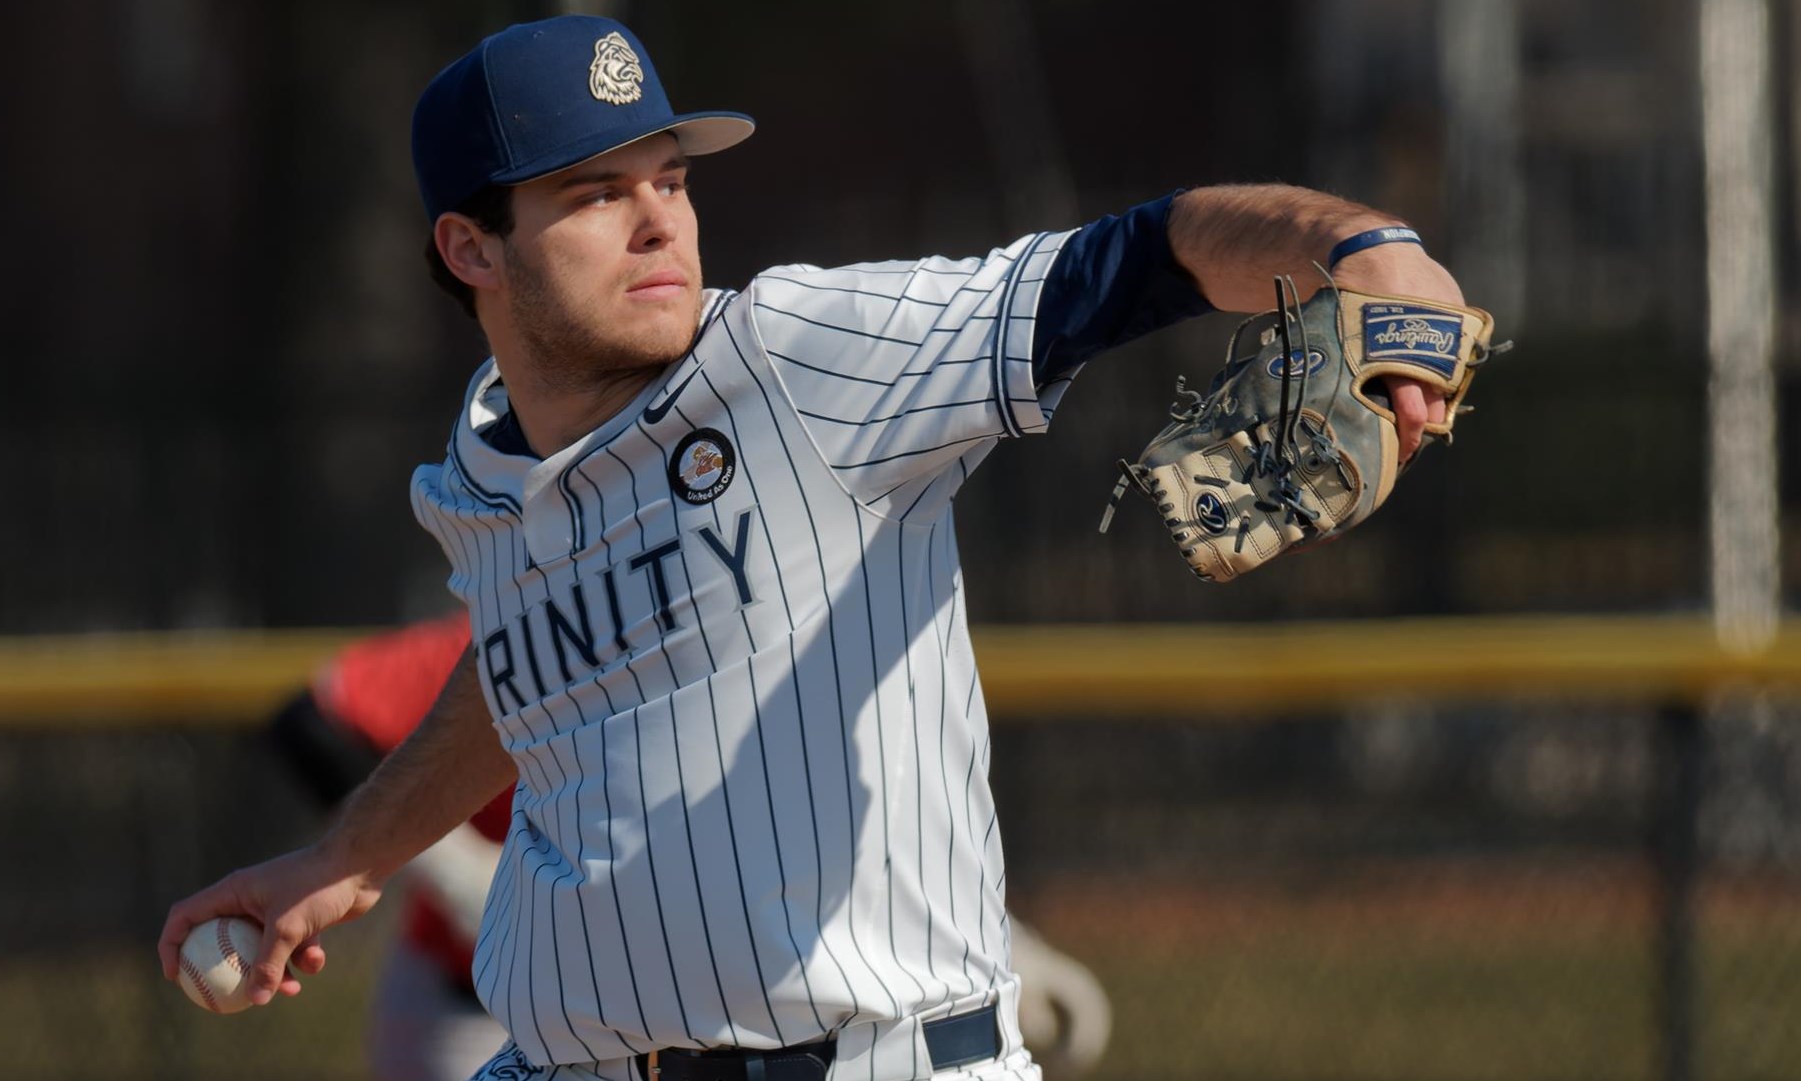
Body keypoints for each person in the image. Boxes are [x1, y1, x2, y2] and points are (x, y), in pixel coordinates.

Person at [160, 14, 1467, 1081]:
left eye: (667, 178)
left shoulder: (802, 360)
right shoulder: (488, 467)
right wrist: (344, 857)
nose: (660, 219)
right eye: (594, 192)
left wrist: (1369, 249)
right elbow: (531, 672)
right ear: (469, 246)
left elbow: (1133, 260)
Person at [268, 617, 1111, 1081]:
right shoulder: (527, 631)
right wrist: (454, 872)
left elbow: (843, 831)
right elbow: (309, 723)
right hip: (464, 1015)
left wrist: (1007, 944)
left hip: (664, 1028)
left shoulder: (730, 659)